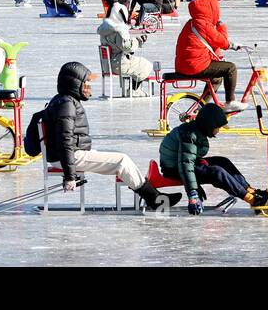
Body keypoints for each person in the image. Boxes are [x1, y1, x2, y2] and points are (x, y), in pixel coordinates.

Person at [42, 61, 180, 211]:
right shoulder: (66, 104)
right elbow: (65, 141)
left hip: (68, 155)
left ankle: (152, 194)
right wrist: (70, 176)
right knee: (122, 161)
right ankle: (155, 199)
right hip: (69, 157)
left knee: (120, 159)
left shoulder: (64, 101)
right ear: (75, 84)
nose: (89, 87)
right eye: (86, 82)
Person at [159, 102, 268, 214]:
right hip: (174, 169)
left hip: (181, 162)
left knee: (222, 161)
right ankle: (252, 200)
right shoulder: (189, 135)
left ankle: (251, 191)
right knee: (216, 172)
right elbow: (185, 165)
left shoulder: (196, 130)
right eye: (218, 127)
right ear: (209, 125)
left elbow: (189, 158)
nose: (219, 130)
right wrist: (193, 192)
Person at [173, 0, 248, 111]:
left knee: (216, 78)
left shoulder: (192, 23)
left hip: (184, 64)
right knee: (230, 68)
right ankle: (230, 102)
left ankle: (199, 107)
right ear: (211, 10)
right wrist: (230, 42)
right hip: (194, 65)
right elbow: (219, 40)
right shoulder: (203, 24)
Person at [97, 1, 153, 92]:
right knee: (144, 64)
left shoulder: (104, 29)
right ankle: (134, 90)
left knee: (136, 62)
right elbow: (126, 46)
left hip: (107, 64)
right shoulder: (119, 29)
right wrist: (139, 41)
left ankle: (133, 89)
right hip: (119, 64)